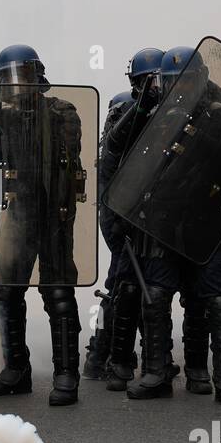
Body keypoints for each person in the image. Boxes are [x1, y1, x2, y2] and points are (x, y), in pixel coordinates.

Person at [101, 45, 221, 405]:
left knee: (213, 298)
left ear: (201, 78)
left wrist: (200, 119)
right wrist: (143, 106)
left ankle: (219, 377)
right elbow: (114, 151)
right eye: (172, 82)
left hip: (205, 218)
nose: (179, 88)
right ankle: (156, 372)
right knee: (155, 296)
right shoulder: (151, 107)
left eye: (186, 81)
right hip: (158, 218)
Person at [0, 44, 85, 406]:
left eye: (22, 75)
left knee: (58, 294)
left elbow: (66, 161)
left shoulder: (61, 112)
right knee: (7, 291)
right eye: (8, 77)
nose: (16, 83)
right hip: (19, 217)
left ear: (37, 76)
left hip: (54, 216)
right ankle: (16, 370)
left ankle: (67, 374)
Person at [83, 88, 138, 382]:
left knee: (122, 286)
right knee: (122, 288)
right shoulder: (116, 148)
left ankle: (104, 355)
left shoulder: (115, 144)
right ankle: (101, 356)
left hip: (121, 223)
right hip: (121, 224)